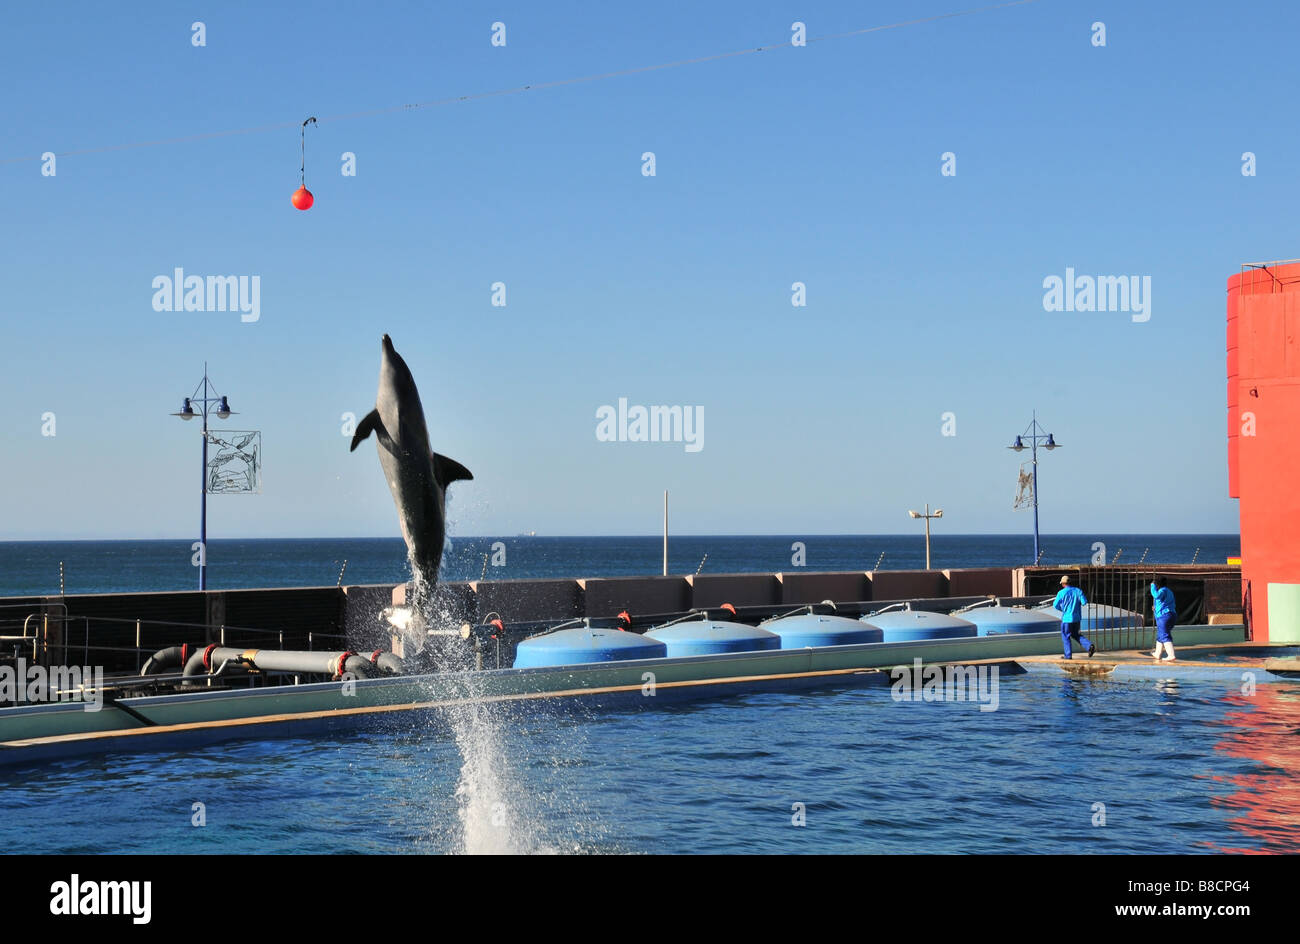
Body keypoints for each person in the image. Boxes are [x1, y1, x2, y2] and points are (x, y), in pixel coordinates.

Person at [1053, 575, 1095, 659]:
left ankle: (1068, 656)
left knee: (1066, 637)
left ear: (1063, 584)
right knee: (1076, 634)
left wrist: (1063, 609)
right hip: (1076, 618)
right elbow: (1084, 602)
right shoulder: (1078, 591)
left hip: (1066, 619)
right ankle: (1089, 645)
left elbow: (1055, 605)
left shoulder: (1061, 593)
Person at [1150, 577, 1177, 661]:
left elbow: (1156, 596)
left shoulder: (1163, 590)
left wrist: (1152, 586)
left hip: (1164, 616)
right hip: (1170, 615)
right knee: (1160, 635)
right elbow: (1164, 603)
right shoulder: (1169, 591)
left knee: (1164, 635)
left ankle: (1171, 655)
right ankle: (1157, 653)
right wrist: (1155, 608)